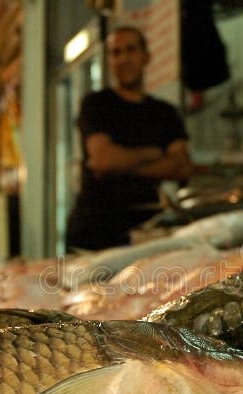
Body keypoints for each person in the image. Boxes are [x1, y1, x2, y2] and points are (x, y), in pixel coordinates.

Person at [67, 25, 193, 250]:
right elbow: (105, 160)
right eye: (116, 52)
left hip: (148, 230)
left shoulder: (165, 113)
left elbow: (182, 167)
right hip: (94, 230)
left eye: (130, 50)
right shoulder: (97, 104)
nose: (123, 58)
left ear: (146, 57)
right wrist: (154, 153)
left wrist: (121, 163)